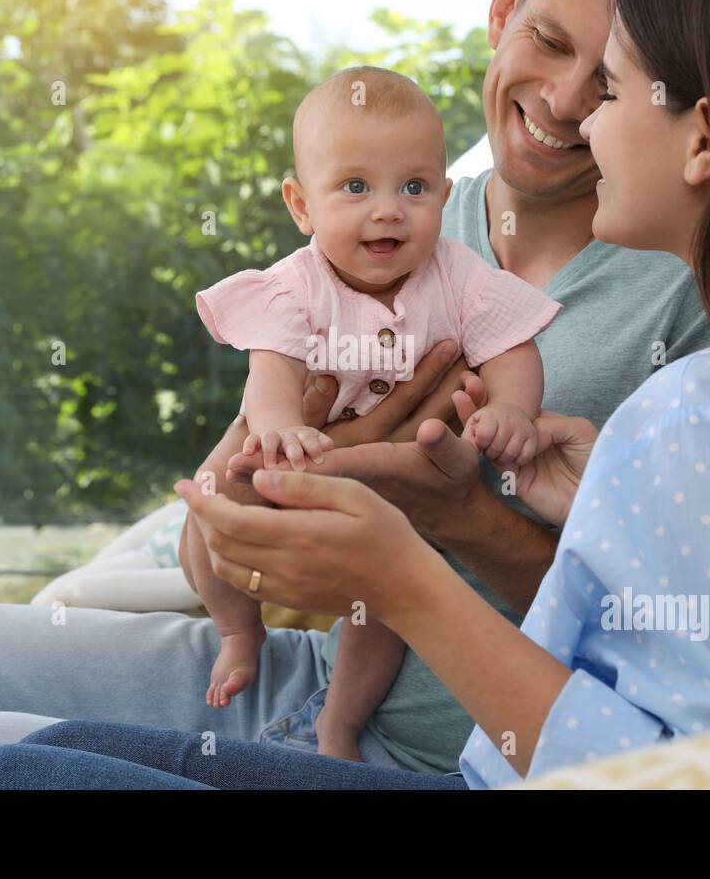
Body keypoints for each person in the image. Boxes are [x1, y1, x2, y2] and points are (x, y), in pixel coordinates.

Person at [0, 0, 710, 790]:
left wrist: (400, 578)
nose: (584, 122)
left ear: (706, 139)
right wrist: (594, 521)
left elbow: (701, 774)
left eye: (618, 91)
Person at [0, 0, 710, 790]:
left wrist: (457, 521)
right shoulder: (384, 222)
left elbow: (682, 644)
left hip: (467, 757)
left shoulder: (691, 293)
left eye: (604, 82)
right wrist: (241, 494)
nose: (561, 101)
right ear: (504, 7)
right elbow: (214, 535)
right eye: (548, 42)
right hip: (317, 681)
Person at [186, 65, 560, 763]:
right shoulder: (298, 285)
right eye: (356, 187)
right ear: (302, 205)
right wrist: (279, 429)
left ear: (444, 197)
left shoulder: (457, 274)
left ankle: (339, 724)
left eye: (414, 187)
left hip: (396, 499)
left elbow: (512, 344)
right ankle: (239, 631)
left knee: (392, 598)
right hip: (295, 460)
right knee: (210, 521)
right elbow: (272, 376)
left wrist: (511, 410)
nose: (388, 209)